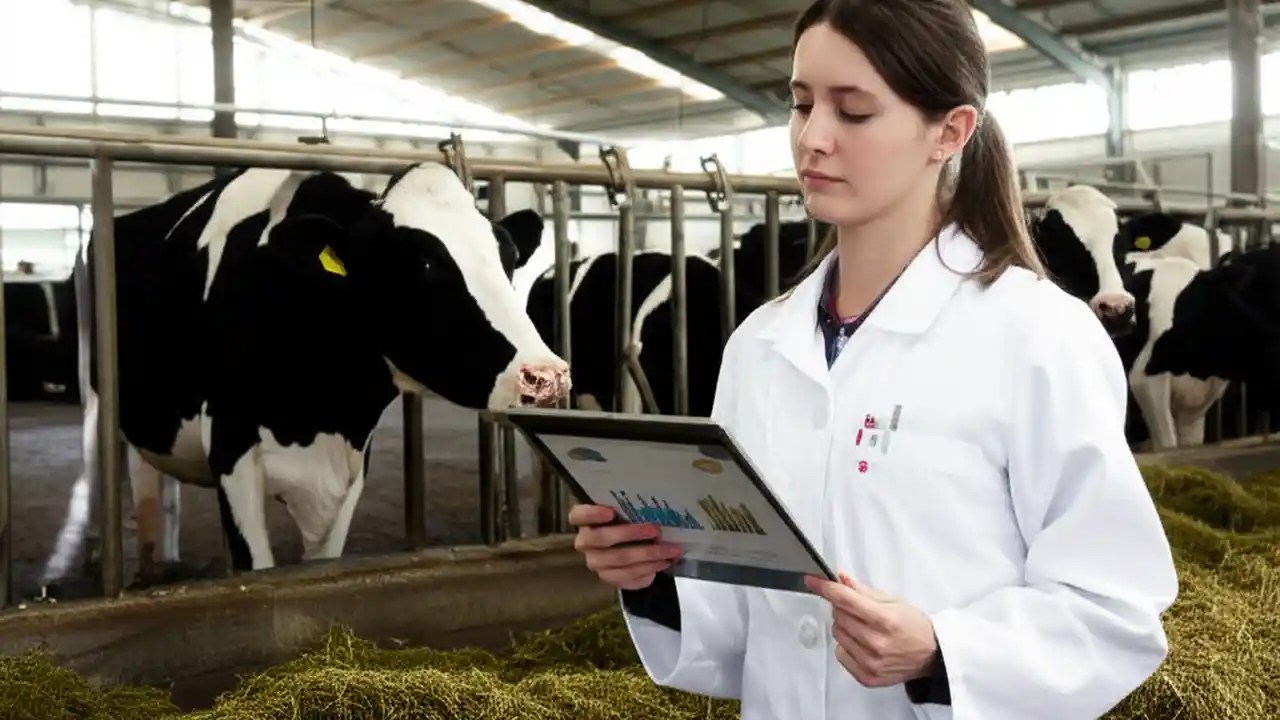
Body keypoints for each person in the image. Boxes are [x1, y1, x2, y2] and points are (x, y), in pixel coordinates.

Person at [568, 0, 1179, 717]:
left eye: (853, 112)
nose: (812, 139)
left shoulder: (1037, 335)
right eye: (801, 105)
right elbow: (749, 624)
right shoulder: (761, 347)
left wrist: (941, 652)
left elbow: (1113, 608)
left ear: (949, 131)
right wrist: (653, 579)